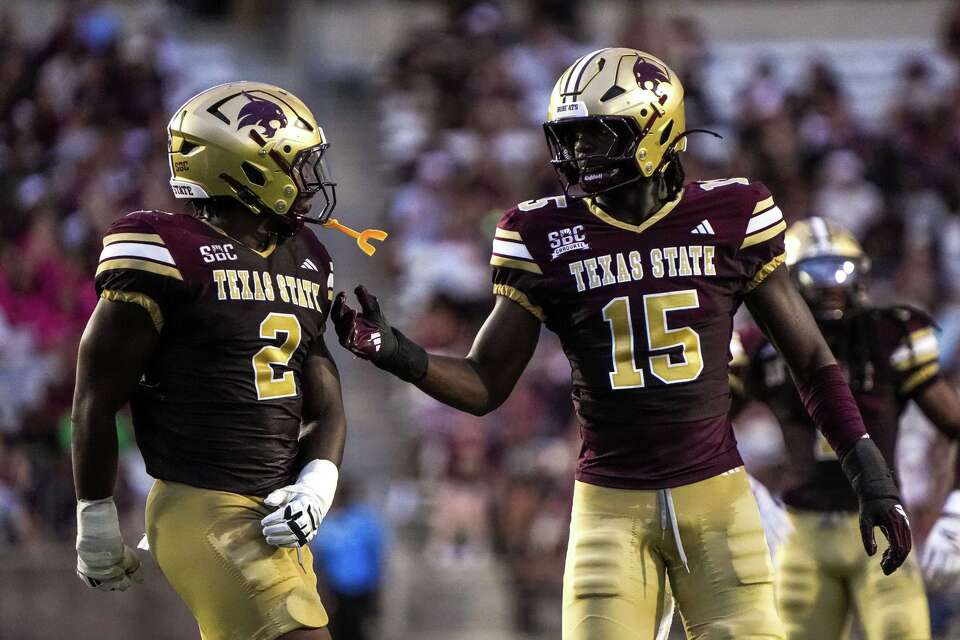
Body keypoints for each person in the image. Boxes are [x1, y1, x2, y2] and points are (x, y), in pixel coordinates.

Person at [331, 48, 911, 639]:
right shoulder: (541, 232)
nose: (578, 152)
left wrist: (870, 473)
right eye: (570, 137)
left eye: (595, 135)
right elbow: (486, 383)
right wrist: (397, 352)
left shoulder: (732, 212)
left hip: (716, 501)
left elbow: (810, 360)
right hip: (610, 507)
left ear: (654, 130)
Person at [71, 82, 347, 640]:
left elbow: (326, 406)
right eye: (296, 164)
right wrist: (94, 516)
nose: (308, 181)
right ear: (249, 170)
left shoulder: (306, 258)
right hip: (202, 506)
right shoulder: (165, 250)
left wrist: (315, 487)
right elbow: (95, 398)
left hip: (275, 516)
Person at [731, 217, 960, 640]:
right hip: (802, 534)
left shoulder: (890, 337)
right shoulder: (760, 346)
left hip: (885, 524)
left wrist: (956, 512)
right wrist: (740, 492)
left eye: (841, 271)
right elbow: (700, 422)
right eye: (814, 275)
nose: (830, 287)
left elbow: (956, 425)